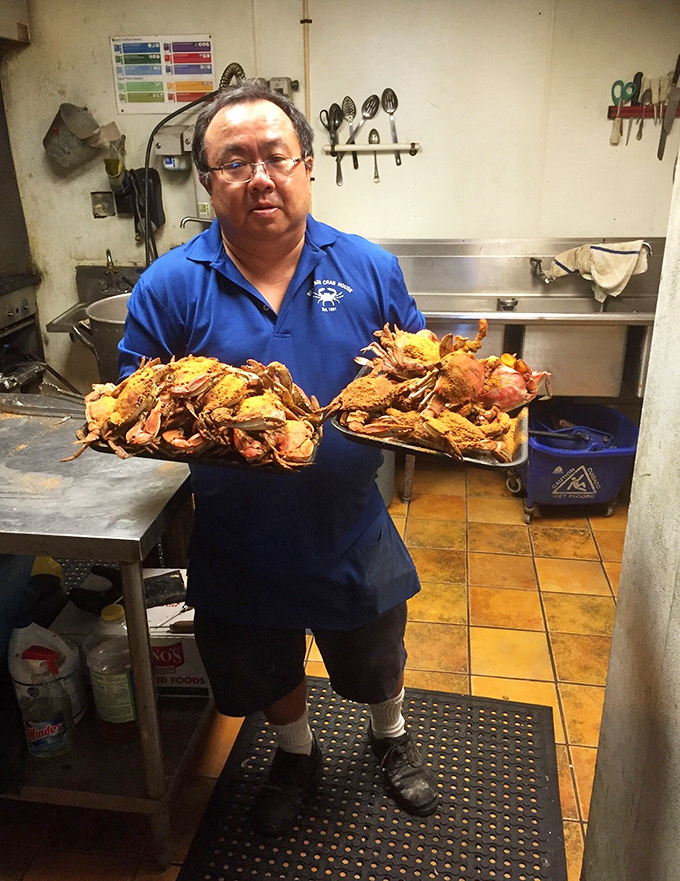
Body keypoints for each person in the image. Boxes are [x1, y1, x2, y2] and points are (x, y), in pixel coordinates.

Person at [119, 79, 440, 835]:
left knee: (372, 654)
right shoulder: (169, 286)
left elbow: (419, 368)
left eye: (275, 156)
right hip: (238, 532)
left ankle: (389, 736)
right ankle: (295, 752)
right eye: (235, 161)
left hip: (350, 524)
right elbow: (136, 398)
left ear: (306, 166)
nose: (258, 175)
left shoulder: (368, 267)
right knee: (265, 662)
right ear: (208, 180)